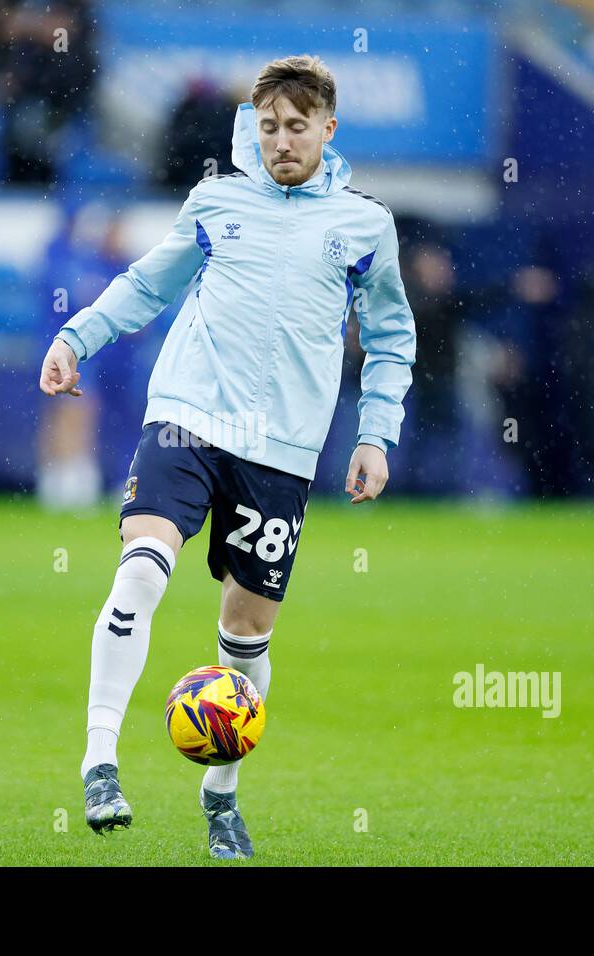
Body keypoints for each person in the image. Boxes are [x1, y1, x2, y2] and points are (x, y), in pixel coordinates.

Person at [38, 55, 416, 859]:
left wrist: (375, 435)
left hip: (280, 448)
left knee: (244, 637)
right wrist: (77, 336)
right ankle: (99, 758)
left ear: (328, 131)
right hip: (187, 416)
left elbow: (390, 339)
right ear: (255, 128)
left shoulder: (363, 225)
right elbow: (147, 284)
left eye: (298, 127)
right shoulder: (216, 201)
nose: (283, 142)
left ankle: (221, 795)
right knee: (142, 567)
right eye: (270, 127)